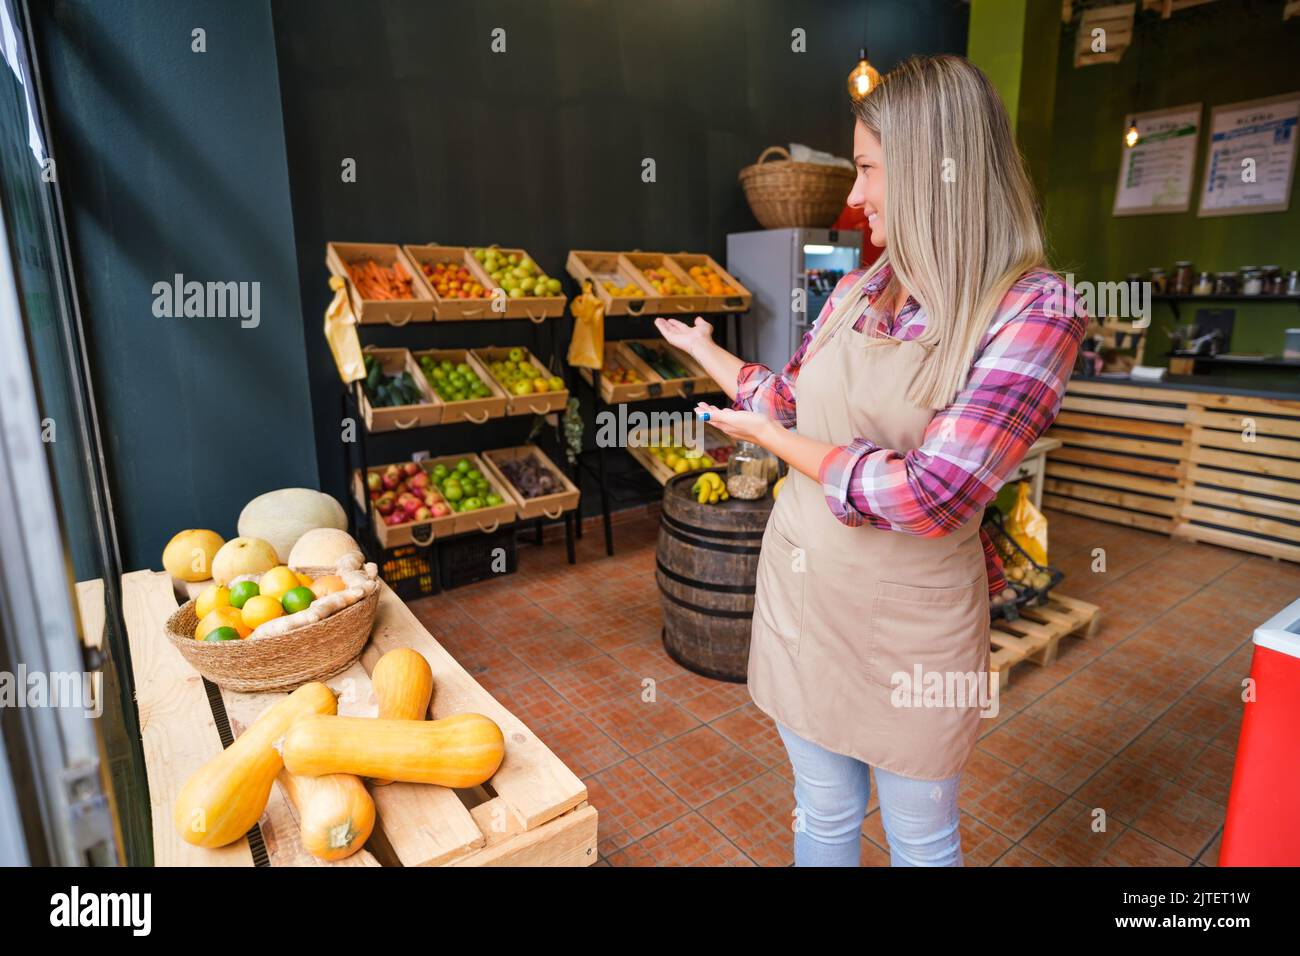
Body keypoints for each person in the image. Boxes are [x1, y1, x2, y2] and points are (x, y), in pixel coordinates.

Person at [655, 54, 1085, 867]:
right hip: (803, 598)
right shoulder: (862, 287)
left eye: (866, 169)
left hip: (912, 632)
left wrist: (775, 445)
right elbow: (794, 402)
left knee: (921, 840)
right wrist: (711, 356)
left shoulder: (1037, 308)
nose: (853, 196)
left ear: (933, 169)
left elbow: (935, 493)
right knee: (821, 815)